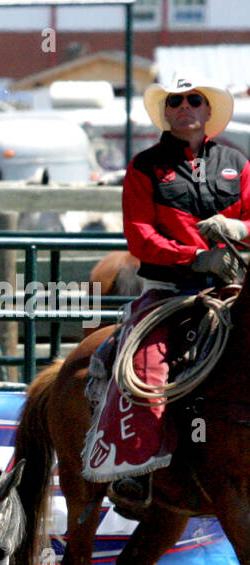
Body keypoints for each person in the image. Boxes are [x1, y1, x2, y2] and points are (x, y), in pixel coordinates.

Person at [107, 73, 249, 508]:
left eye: (192, 100)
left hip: (233, 284)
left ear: (208, 110)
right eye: (174, 102)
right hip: (169, 290)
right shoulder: (144, 166)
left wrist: (238, 227)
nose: (183, 107)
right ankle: (138, 468)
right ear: (166, 113)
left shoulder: (238, 162)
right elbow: (140, 236)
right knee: (147, 368)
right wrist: (193, 257)